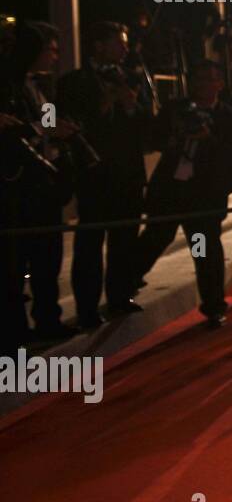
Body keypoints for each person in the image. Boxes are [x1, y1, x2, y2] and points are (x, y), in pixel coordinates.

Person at [57, 21, 153, 329]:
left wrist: (130, 106)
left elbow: (148, 123)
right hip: (95, 174)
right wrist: (107, 102)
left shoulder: (131, 77)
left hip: (129, 173)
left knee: (124, 239)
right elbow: (63, 121)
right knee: (90, 243)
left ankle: (120, 297)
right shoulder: (74, 81)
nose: (125, 48)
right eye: (118, 42)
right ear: (99, 45)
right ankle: (87, 308)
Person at [134, 60, 232, 329]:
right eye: (199, 79)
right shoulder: (174, 110)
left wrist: (209, 139)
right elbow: (153, 140)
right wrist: (177, 136)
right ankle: (125, 285)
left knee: (205, 249)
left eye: (210, 79)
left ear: (220, 83)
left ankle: (214, 306)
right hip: (171, 190)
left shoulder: (230, 117)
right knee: (155, 238)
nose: (204, 84)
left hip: (204, 195)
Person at [0, 22, 79, 351]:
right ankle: (13, 333)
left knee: (47, 256)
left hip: (43, 184)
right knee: (13, 264)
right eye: (51, 49)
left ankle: (48, 319)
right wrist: (42, 129)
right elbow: (14, 132)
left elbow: (44, 126)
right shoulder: (8, 84)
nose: (56, 56)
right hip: (16, 187)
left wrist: (62, 133)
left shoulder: (37, 86)